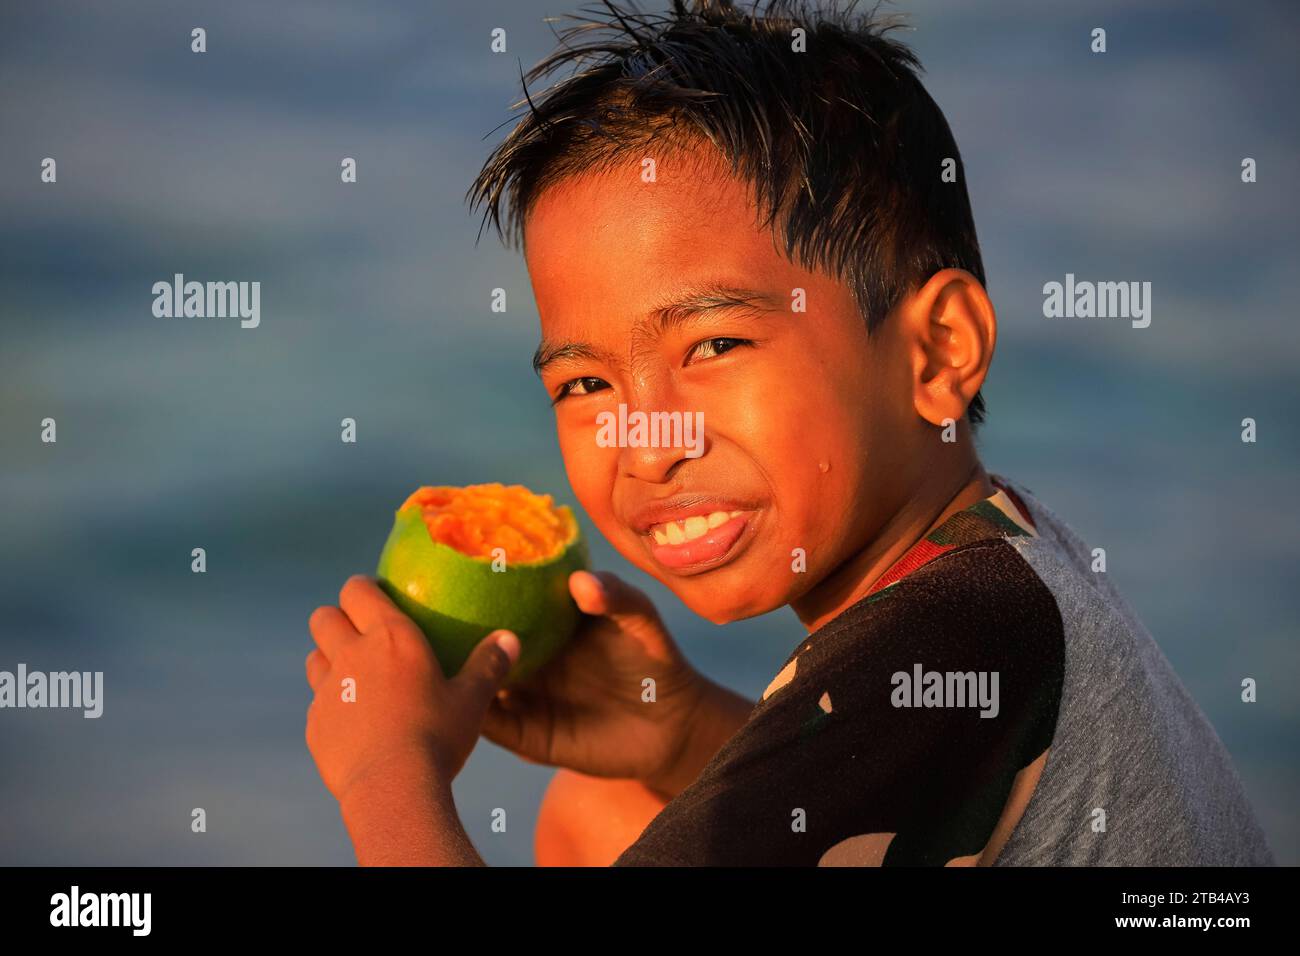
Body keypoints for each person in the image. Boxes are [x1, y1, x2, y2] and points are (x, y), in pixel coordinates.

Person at [304, 0, 1274, 866]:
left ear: (936, 353)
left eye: (714, 342)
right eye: (587, 381)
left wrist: (387, 770)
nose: (646, 443)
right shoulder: (996, 558)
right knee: (601, 804)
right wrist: (684, 733)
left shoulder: (953, 634)